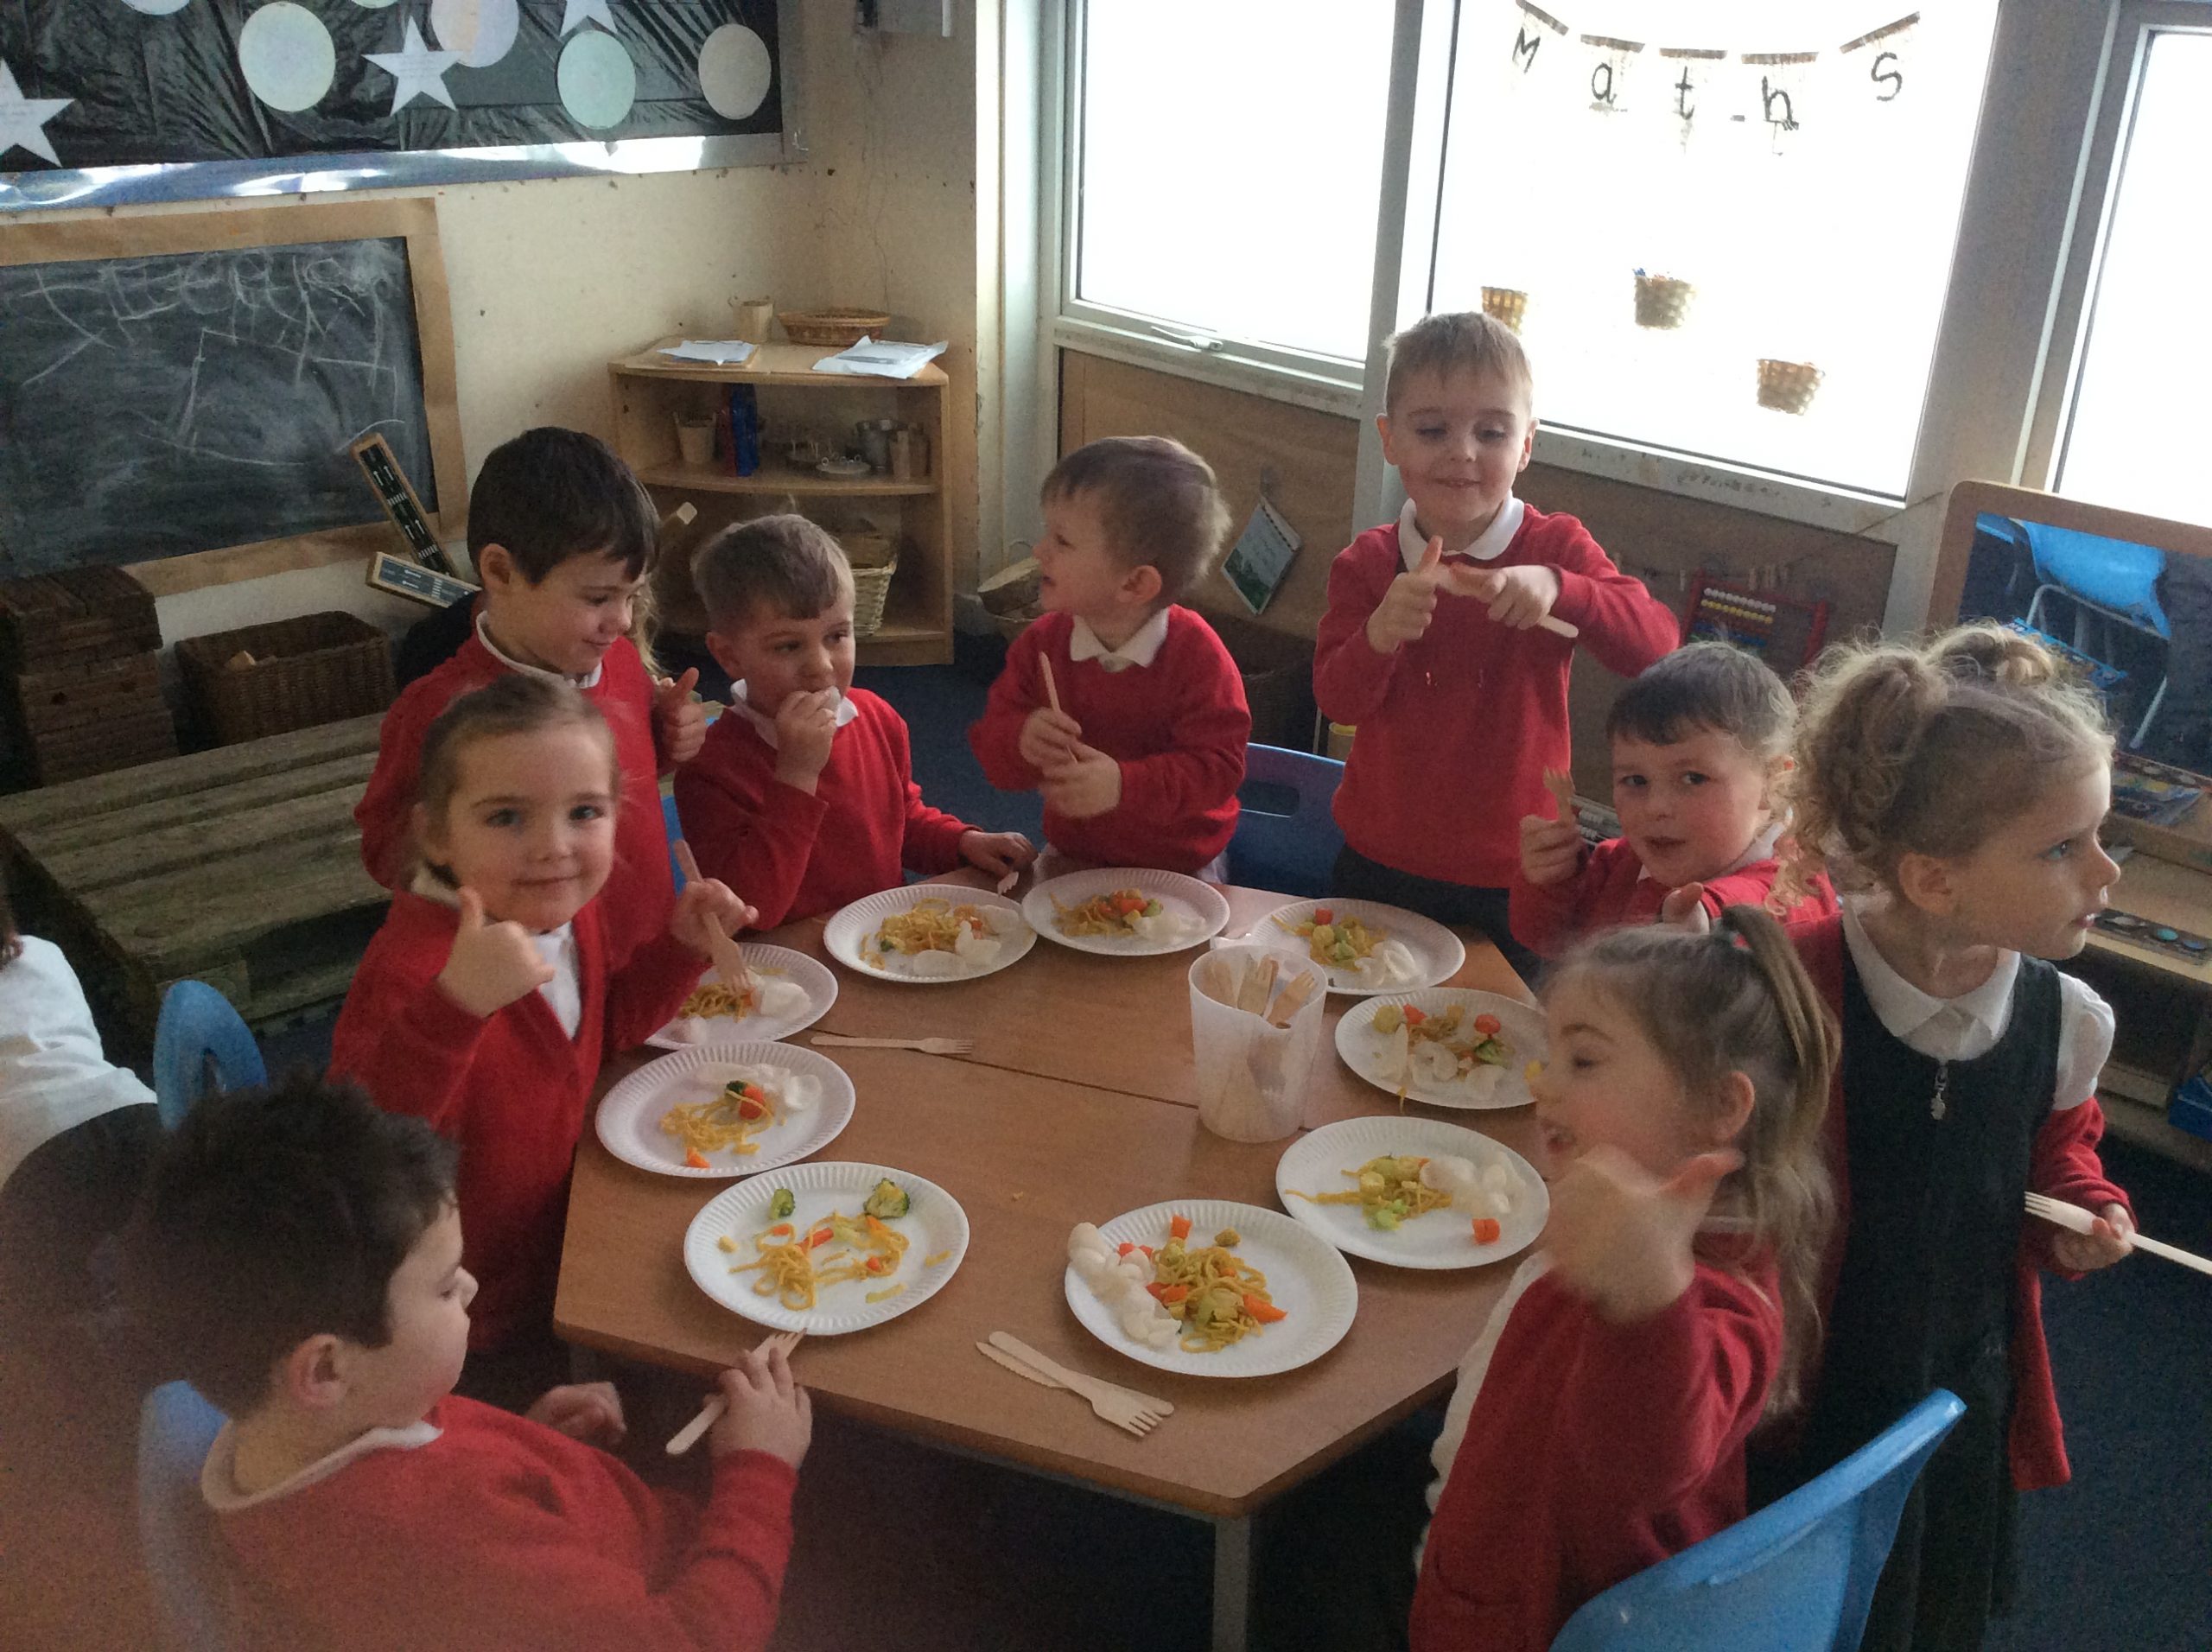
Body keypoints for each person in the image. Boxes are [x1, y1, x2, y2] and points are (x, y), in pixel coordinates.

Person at [128, 1074, 809, 1652]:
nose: (472, 1288)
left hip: (585, 1543)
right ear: (325, 1371)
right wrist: (759, 1469)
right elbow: (692, 1639)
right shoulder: (434, 1544)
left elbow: (438, 1491)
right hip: (694, 1586)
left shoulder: (290, 1427)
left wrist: (525, 1446)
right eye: (445, 1284)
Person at [1764, 623, 2136, 1652]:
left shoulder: (2070, 1021)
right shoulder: (1784, 989)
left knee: (1921, 1595)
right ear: (1934, 880)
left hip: (1959, 1372)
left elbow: (2061, 1145)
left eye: (2100, 835)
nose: (2106, 872)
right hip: (1809, 1366)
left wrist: (2083, 1209)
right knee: (1798, 1593)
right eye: (2063, 848)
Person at [1413, 906, 1837, 1651]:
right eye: (1551, 1055)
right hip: (1492, 1557)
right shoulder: (1620, 1231)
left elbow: (1643, 1464)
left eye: (1583, 1061)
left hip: (1539, 1621)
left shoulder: (1722, 1297)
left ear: (1719, 1106)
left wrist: (1649, 1296)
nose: (1543, 1084)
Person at [331, 675, 753, 1404]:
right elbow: (360, 1160)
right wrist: (456, 1008)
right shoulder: (414, 973)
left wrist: (681, 949)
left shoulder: (563, 913)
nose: (553, 849)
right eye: (506, 817)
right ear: (436, 835)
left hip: (566, 1240)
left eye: (584, 812)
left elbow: (601, 1032)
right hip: (470, 1320)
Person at [1313, 312, 1678, 972]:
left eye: (1492, 432)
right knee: (1355, 1018)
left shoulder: (1554, 547)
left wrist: (1561, 588)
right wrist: (1378, 635)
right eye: (1432, 430)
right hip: (1379, 860)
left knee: (1496, 1028)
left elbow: (1655, 647)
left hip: (1519, 871)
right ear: (1390, 440)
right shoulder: (1366, 564)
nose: (1463, 452)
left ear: (1527, 444)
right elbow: (1337, 700)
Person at [355, 428, 708, 965]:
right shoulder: (438, 708)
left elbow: (617, 776)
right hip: (531, 979)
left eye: (632, 597)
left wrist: (668, 736)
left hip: (645, 957)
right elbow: (386, 848)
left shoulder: (620, 662)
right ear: (501, 572)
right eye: (598, 598)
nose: (622, 621)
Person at [675, 515, 1033, 926]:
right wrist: (796, 776)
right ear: (729, 656)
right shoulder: (710, 768)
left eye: (837, 636)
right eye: (788, 646)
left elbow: (901, 824)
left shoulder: (877, 718)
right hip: (788, 956)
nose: (821, 666)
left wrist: (962, 841)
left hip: (880, 940)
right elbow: (751, 910)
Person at [0, 874, 166, 1650]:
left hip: (31, 1166)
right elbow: (80, 1044)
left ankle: (107, 1428)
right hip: (131, 1117)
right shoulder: (44, 955)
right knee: (170, 1269)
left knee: (43, 1315)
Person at [969, 436, 1250, 876]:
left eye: (1062, 540)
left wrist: (1123, 786)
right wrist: (1021, 740)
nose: (1040, 550)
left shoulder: (1198, 657)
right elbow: (993, 755)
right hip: (1074, 853)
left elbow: (1217, 771)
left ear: (1135, 584)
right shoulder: (1041, 644)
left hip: (1180, 866)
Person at [1510, 641, 1837, 958]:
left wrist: (1705, 915)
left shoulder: (1796, 889)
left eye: (1693, 778)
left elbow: (1756, 913)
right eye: (1636, 781)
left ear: (1774, 783)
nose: (1656, 807)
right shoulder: (1622, 863)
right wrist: (1552, 881)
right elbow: (1548, 941)